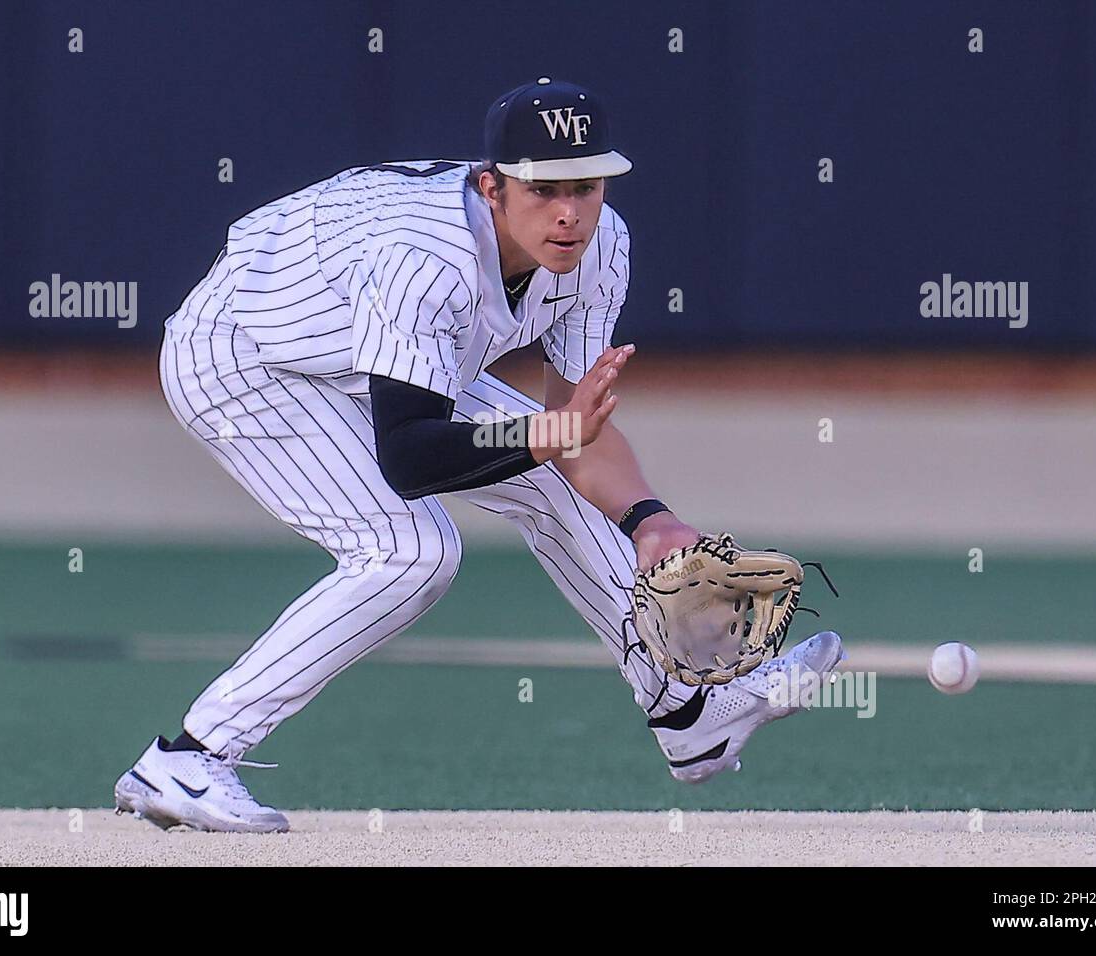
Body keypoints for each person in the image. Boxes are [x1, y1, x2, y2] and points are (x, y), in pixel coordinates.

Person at [114, 77, 842, 833]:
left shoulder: (602, 244)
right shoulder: (426, 259)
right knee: (409, 552)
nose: (569, 211)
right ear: (492, 188)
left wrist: (650, 521)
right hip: (244, 353)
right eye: (544, 188)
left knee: (557, 484)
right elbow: (410, 456)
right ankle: (190, 755)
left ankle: (689, 710)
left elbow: (575, 426)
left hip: (366, 347)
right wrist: (545, 439)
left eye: (586, 186)